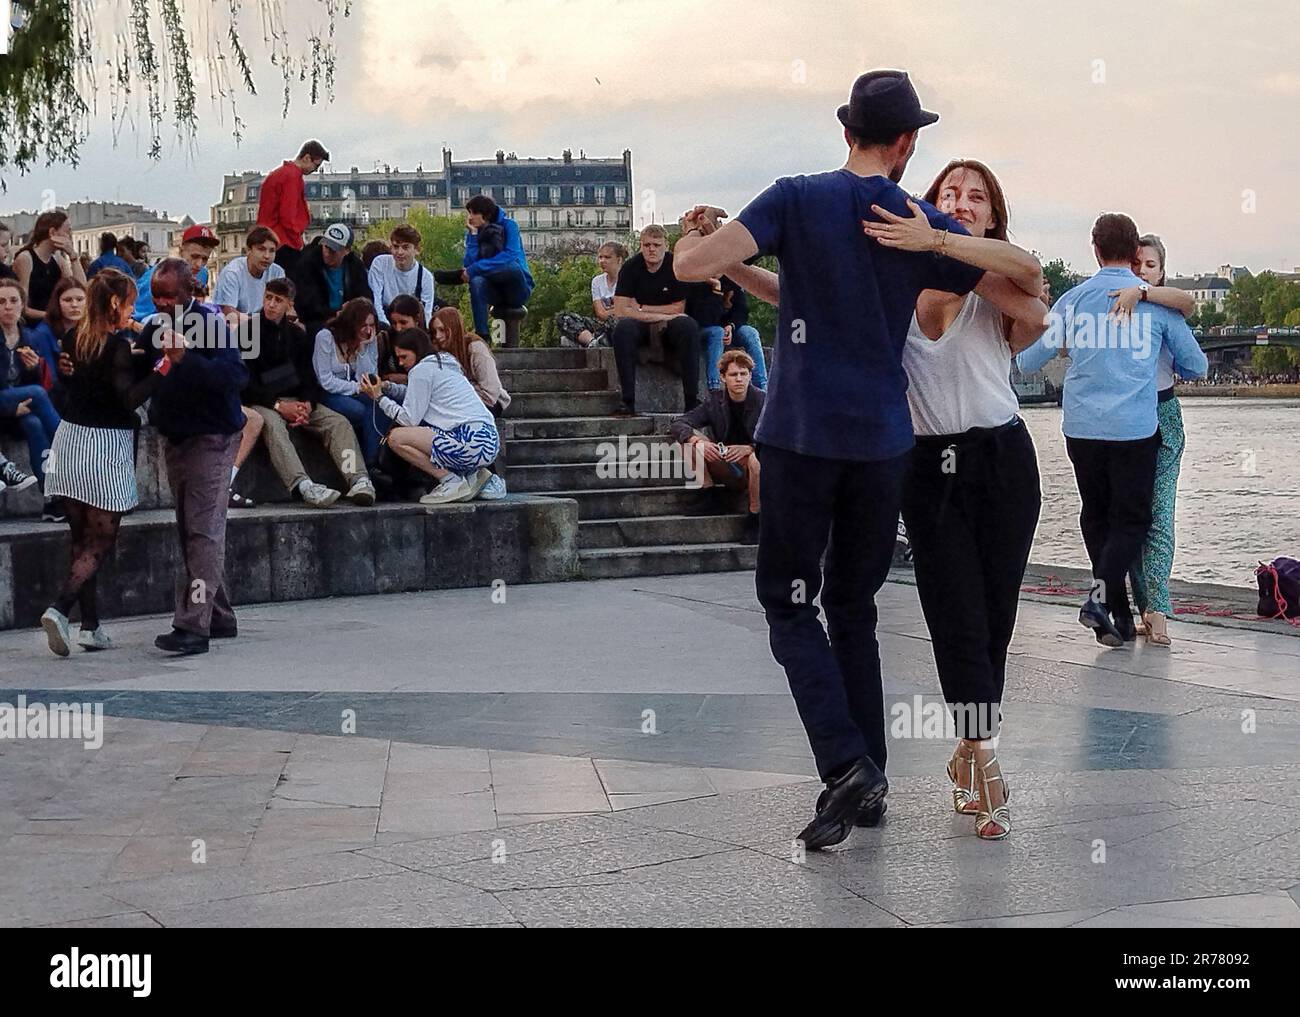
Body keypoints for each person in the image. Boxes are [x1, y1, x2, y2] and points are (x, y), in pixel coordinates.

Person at [672, 70, 1047, 850]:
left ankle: (849, 763)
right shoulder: (910, 218)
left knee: (785, 599)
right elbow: (1020, 273)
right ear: (907, 143)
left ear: (846, 129)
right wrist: (939, 235)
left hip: (804, 438)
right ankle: (868, 779)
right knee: (852, 604)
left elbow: (690, 269)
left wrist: (693, 245)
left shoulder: (794, 196)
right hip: (885, 447)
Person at [895, 158, 1051, 840]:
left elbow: (1037, 298)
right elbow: (799, 294)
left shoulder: (999, 287)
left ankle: (969, 745)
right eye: (949, 193)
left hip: (1003, 463)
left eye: (976, 197)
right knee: (953, 617)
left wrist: (953, 251)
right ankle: (985, 762)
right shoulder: (895, 283)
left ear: (991, 216)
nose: (961, 201)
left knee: (993, 624)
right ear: (929, 203)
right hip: (929, 469)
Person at [1017, 214, 1208, 649]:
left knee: (1095, 515)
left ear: (1095, 248)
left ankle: (1118, 616)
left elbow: (1028, 361)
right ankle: (1098, 599)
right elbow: (1198, 365)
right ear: (1132, 251)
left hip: (1081, 427)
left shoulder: (1072, 301)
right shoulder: (1157, 307)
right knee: (1132, 520)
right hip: (1133, 428)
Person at [39, 270, 161, 655]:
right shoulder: (116, 347)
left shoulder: (74, 338)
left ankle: (90, 627)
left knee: (80, 541)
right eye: (127, 303)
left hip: (69, 442)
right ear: (114, 304)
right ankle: (60, 608)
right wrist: (164, 368)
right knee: (101, 541)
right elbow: (127, 399)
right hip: (103, 447)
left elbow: (92, 379)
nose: (131, 310)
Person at [137, 258, 250, 655]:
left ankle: (192, 624)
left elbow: (234, 377)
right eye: (156, 295)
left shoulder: (211, 324)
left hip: (212, 436)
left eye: (171, 295)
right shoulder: (154, 325)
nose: (163, 303)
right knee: (192, 529)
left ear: (190, 291)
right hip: (176, 436)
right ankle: (218, 615)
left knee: (203, 531)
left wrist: (188, 358)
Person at [1111, 236, 1196, 648]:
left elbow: (1188, 304)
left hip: (1160, 415)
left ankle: (1158, 610)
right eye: (1136, 264)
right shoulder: (1113, 307)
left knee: (1159, 515)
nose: (1142, 270)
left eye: (1150, 265)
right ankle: (1144, 607)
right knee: (1133, 518)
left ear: (1160, 272)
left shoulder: (1166, 308)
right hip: (1127, 417)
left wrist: (1143, 293)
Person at [241, 277, 374, 508]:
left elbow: (309, 378)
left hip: (297, 401)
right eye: (268, 298)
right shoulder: (248, 332)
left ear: (289, 304)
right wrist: (279, 406)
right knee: (272, 425)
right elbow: (245, 383)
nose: (271, 304)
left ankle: (358, 479)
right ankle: (304, 485)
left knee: (337, 422)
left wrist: (308, 404)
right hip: (263, 402)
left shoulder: (296, 335)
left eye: (278, 300)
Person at [359, 328, 499, 505]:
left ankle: (450, 481)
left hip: (470, 441)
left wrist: (378, 397)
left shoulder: (421, 370)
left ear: (417, 351)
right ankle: (470, 474)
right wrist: (388, 387)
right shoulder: (446, 363)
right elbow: (417, 394)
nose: (400, 363)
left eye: (404, 357)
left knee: (396, 438)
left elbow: (408, 419)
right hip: (489, 441)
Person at [668, 349, 765, 543]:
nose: (739, 379)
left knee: (756, 460)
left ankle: (756, 516)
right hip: (726, 461)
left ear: (750, 376)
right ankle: (709, 494)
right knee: (685, 443)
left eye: (743, 374)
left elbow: (779, 436)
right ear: (723, 377)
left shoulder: (764, 401)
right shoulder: (715, 401)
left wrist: (751, 448)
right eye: (733, 374)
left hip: (757, 467)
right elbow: (679, 423)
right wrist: (699, 442)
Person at [610, 225, 703, 416]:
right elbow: (620, 310)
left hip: (670, 323)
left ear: (666, 246)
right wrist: (660, 314)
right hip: (644, 323)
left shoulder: (675, 265)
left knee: (688, 327)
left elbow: (679, 309)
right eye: (647, 245)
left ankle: (692, 401)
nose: (651, 249)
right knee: (622, 329)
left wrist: (641, 307)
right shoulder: (630, 267)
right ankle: (627, 401)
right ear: (640, 246)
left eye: (656, 245)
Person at [0, 278, 64, 521]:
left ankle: (51, 499)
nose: (8, 307)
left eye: (13, 301)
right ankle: (69, 442)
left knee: (35, 424)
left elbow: (39, 383)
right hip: (5, 406)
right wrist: (10, 408)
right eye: (1, 301)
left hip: (21, 409)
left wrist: (34, 367)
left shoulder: (30, 337)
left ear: (22, 305)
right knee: (37, 395)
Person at [430, 306, 509, 500]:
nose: (438, 336)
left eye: (442, 330)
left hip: (488, 401)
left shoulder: (475, 348)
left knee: (469, 423)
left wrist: (462, 389)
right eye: (434, 332)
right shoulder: (438, 353)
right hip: (458, 404)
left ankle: (492, 477)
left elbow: (491, 391)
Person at [312, 296, 390, 470]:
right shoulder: (325, 337)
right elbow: (325, 380)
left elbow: (370, 376)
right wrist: (357, 387)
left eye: (371, 325)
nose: (368, 330)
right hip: (329, 392)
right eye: (363, 325)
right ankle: (369, 462)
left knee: (381, 406)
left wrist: (363, 349)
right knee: (360, 411)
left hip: (357, 390)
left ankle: (374, 461)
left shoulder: (370, 340)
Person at [450, 195, 534, 338]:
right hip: (493, 291)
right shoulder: (474, 232)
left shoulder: (509, 226)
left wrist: (475, 269)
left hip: (516, 288)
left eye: (473, 213)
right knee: (476, 281)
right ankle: (482, 334)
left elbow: (510, 255)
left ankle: (456, 277)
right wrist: (473, 235)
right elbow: (469, 264)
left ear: (485, 214)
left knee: (511, 267)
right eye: (469, 213)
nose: (470, 217)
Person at [685, 273, 769, 392]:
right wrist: (717, 290)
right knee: (718, 332)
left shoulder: (732, 279)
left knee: (751, 332)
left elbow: (742, 311)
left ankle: (761, 388)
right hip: (704, 328)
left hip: (729, 328)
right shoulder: (698, 282)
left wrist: (731, 326)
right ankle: (715, 388)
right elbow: (707, 318)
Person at [257, 140, 330, 271]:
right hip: (283, 242)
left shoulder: (281, 173)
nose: (316, 170)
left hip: (269, 239)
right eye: (316, 165)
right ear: (307, 158)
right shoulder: (292, 177)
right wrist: (298, 243)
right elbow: (288, 215)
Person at [290, 222, 369, 343]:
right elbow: (307, 303)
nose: (327, 253)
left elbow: (365, 296)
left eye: (333, 250)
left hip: (350, 318)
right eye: (326, 247)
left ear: (346, 250)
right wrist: (336, 315)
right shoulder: (307, 264)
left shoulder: (355, 266)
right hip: (317, 321)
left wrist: (351, 310)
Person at [12, 210, 87, 325]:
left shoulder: (57, 259)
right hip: (33, 325)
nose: (70, 236)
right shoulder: (26, 259)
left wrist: (73, 257)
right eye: (67, 231)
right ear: (52, 232)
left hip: (54, 323)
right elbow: (23, 306)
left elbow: (79, 287)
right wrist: (51, 315)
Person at [134, 225, 219, 321]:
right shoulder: (158, 276)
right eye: (194, 256)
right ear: (181, 250)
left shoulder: (202, 274)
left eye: (205, 259)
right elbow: (134, 318)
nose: (199, 264)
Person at [27, 277, 87, 410]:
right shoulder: (43, 333)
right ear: (57, 303)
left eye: (80, 299)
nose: (74, 305)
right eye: (68, 300)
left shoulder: (88, 330)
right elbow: (49, 381)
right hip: (55, 398)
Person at [554, 242, 627, 348]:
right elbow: (600, 313)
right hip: (601, 324)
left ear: (619, 259)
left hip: (619, 324)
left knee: (618, 322)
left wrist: (615, 312)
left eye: (607, 257)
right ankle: (593, 342)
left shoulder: (629, 279)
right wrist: (615, 311)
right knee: (563, 318)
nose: (602, 261)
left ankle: (594, 339)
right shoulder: (597, 281)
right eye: (600, 257)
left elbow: (627, 311)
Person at [214, 225, 286, 324]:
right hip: (235, 327)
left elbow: (282, 307)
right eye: (261, 249)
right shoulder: (232, 273)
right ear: (248, 250)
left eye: (272, 251)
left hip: (265, 324)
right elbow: (229, 313)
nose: (267, 256)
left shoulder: (277, 272)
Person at [368, 225, 436, 327]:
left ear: (417, 249)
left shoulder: (425, 277)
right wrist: (386, 326)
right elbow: (375, 299)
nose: (400, 252)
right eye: (396, 247)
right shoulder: (380, 264)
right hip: (383, 321)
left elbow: (425, 315)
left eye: (405, 247)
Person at [377, 293, 426, 383]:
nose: (398, 328)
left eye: (403, 323)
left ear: (416, 319)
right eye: (394, 323)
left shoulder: (429, 342)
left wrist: (407, 379)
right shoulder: (385, 340)